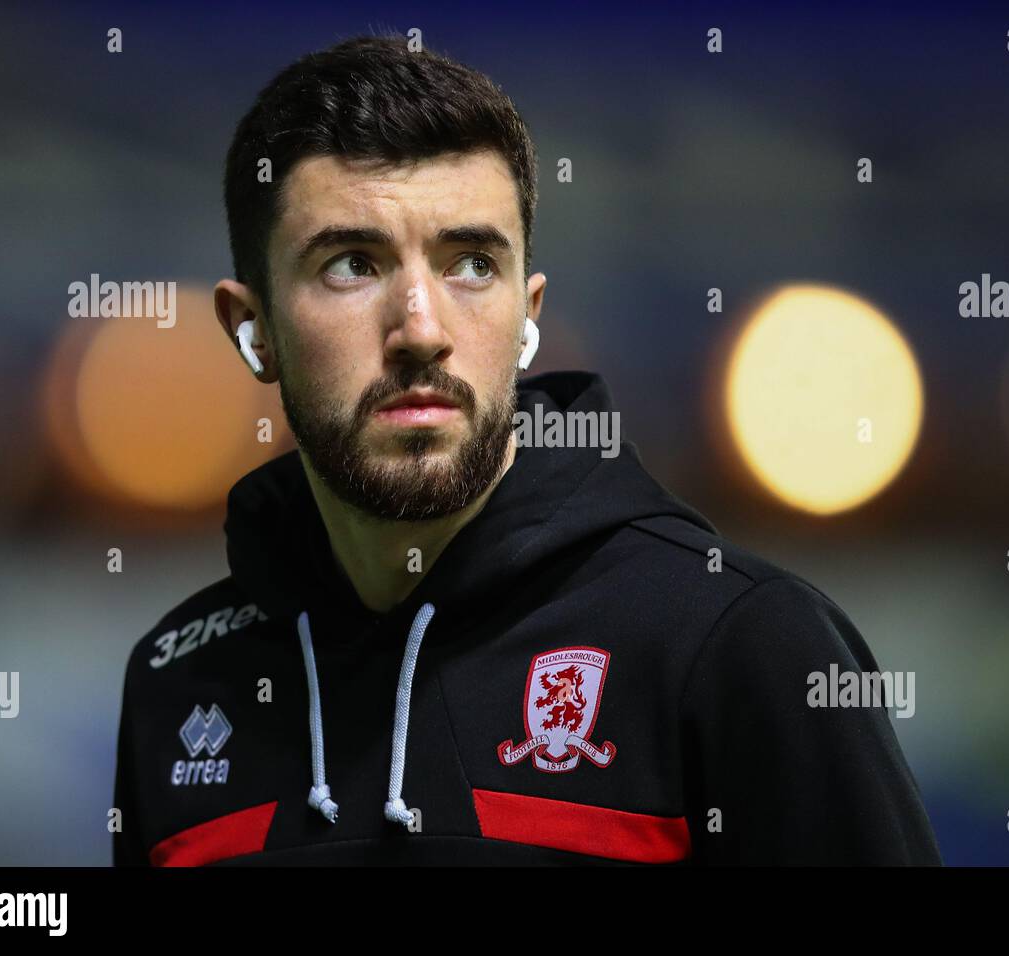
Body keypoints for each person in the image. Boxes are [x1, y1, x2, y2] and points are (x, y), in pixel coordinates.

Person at [112, 33, 942, 866]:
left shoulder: (736, 643)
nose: (421, 331)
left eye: (472, 264)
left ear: (527, 315)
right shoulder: (179, 681)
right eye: (352, 265)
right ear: (251, 327)